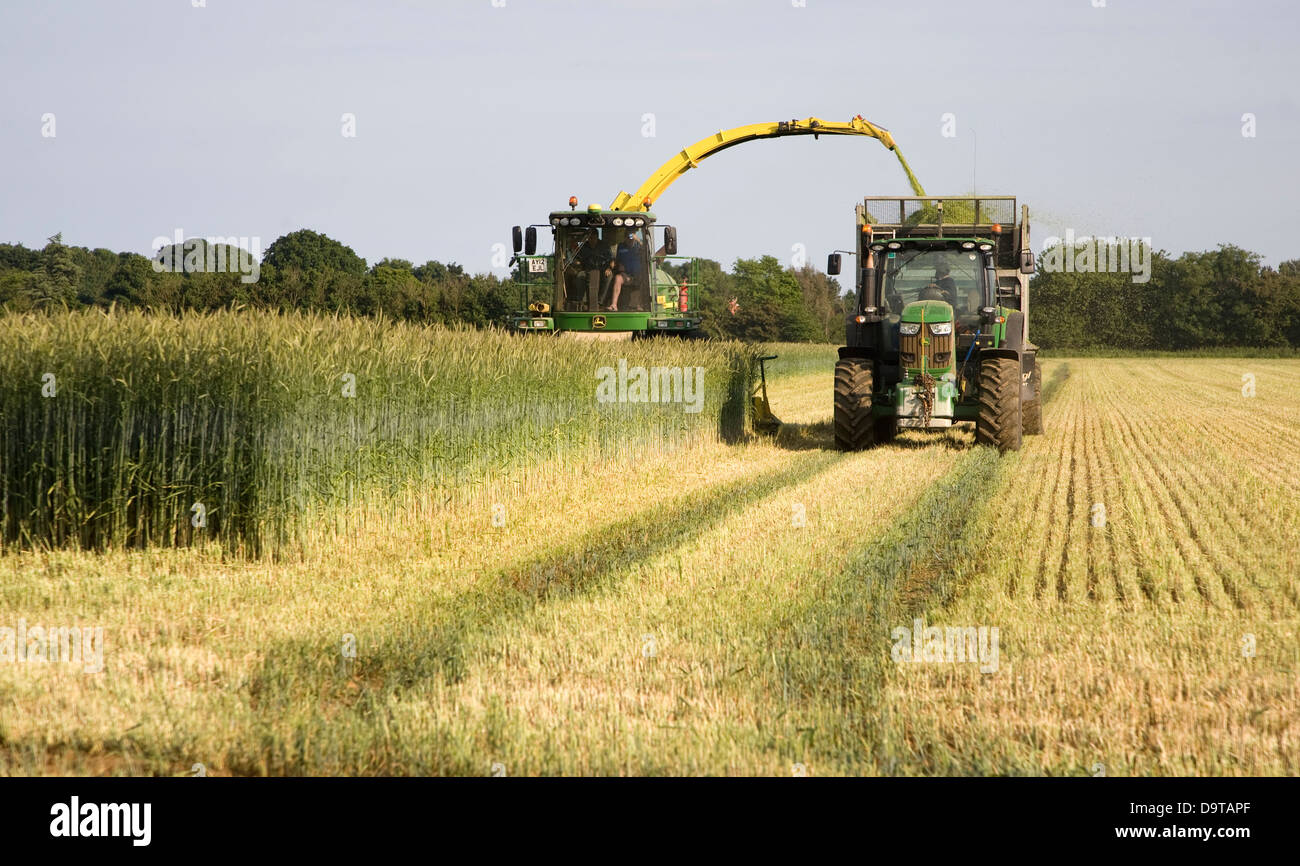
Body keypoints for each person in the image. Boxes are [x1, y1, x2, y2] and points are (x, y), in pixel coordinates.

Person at [574, 228, 612, 311]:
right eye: (590, 238)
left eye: (593, 238)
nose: (591, 240)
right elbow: (578, 259)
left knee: (609, 276)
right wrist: (577, 263)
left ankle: (600, 302)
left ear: (597, 237)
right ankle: (582, 302)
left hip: (602, 271)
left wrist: (609, 268)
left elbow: (611, 259)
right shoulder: (583, 247)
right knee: (580, 276)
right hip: (587, 270)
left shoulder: (604, 246)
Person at [607, 231, 646, 311]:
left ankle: (640, 305)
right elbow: (617, 260)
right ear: (624, 238)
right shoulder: (620, 246)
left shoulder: (639, 246)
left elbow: (648, 252)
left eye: (631, 237)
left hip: (638, 275)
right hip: (626, 275)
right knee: (618, 278)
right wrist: (619, 268)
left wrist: (638, 240)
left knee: (645, 278)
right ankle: (614, 305)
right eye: (628, 237)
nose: (630, 239)